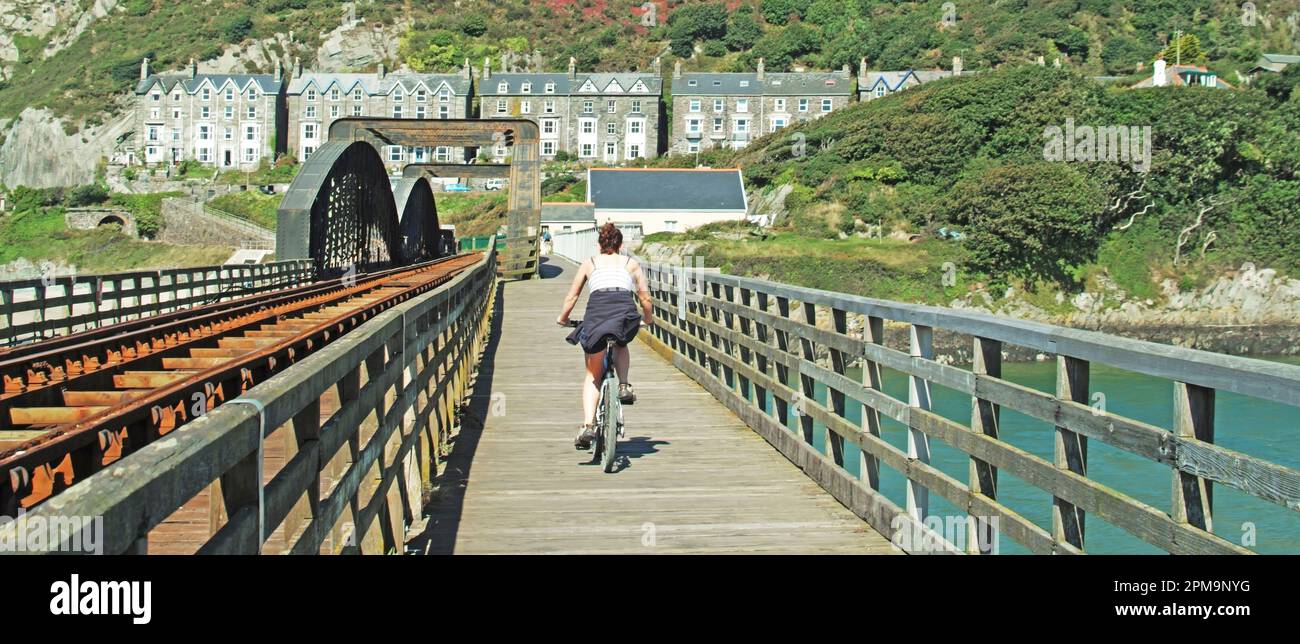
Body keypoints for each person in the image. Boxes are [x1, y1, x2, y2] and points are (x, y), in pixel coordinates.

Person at [556, 222, 654, 449]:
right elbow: (645, 299)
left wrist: (563, 318)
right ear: (620, 245)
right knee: (621, 341)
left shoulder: (589, 263)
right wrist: (648, 319)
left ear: (599, 245)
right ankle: (624, 385)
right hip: (624, 312)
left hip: (597, 315)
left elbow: (572, 298)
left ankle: (588, 425)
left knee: (593, 374)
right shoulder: (631, 264)